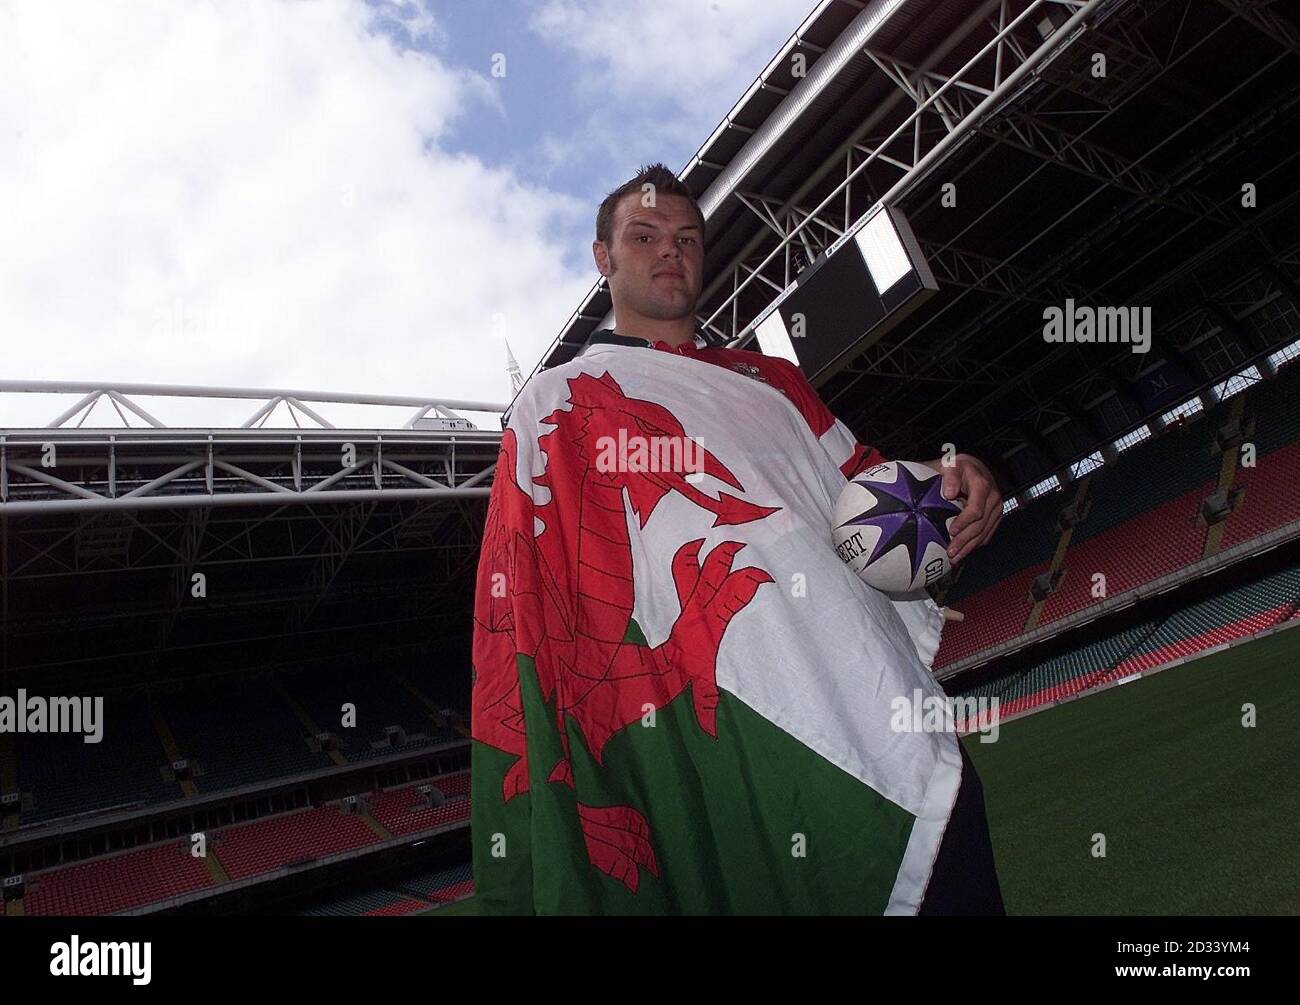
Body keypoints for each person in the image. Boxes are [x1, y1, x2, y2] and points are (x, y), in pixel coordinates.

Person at [471, 162, 1005, 914]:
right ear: (604, 258)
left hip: (882, 706)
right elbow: (527, 614)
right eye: (645, 235)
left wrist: (960, 478)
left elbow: (867, 494)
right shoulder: (558, 403)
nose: (670, 250)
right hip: (734, 745)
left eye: (686, 237)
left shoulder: (772, 382)